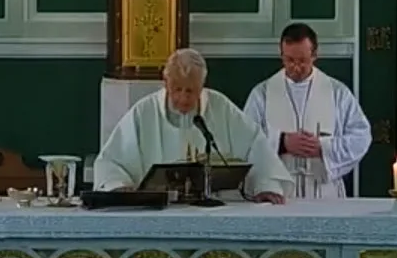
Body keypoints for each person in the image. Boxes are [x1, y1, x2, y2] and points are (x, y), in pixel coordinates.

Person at [94, 48, 291, 202]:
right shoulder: (144, 112)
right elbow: (111, 162)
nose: (183, 98)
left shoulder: (220, 107)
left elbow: (255, 145)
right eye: (177, 89)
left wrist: (265, 186)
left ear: (202, 85)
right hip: (157, 213)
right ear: (165, 83)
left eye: (190, 91)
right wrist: (119, 187)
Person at [243, 23, 373, 199]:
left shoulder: (337, 93)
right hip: (278, 193)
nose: (296, 67)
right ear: (281, 55)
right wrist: (281, 143)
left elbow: (361, 137)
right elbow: (245, 139)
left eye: (302, 60)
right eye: (290, 60)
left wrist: (323, 148)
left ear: (315, 55)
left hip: (324, 193)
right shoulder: (262, 94)